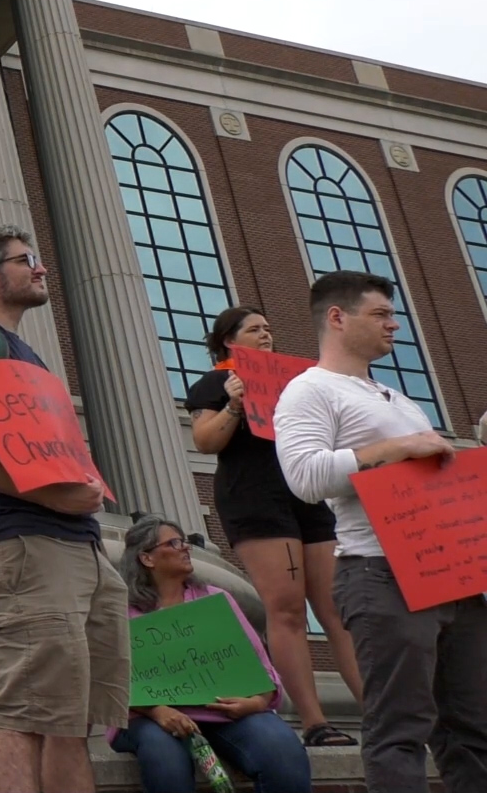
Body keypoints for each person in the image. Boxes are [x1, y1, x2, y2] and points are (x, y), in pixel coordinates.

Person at [0, 226, 126, 793]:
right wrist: (57, 497)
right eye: (25, 260)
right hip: (27, 546)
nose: (40, 269)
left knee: (71, 719)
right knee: (20, 709)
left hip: (80, 546)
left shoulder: (28, 353)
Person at [276, 270, 487, 793]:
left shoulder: (394, 397)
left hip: (453, 576)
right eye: (381, 315)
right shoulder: (307, 390)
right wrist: (394, 450)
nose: (395, 325)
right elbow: (304, 477)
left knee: (474, 729)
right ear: (337, 318)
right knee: (400, 728)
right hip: (382, 573)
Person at [186, 306, 359, 746]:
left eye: (268, 326)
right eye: (254, 329)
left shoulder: (295, 381)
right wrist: (235, 404)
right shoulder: (214, 383)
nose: (266, 333)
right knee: (285, 608)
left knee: (340, 609)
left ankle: (381, 712)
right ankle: (315, 721)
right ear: (229, 339)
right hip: (255, 498)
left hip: (306, 493)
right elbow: (206, 441)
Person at [108, 516, 309, 792]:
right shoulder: (122, 611)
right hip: (150, 717)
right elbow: (111, 679)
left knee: (283, 752)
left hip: (228, 713)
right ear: (147, 558)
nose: (185, 548)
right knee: (166, 761)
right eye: (174, 543)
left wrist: (256, 703)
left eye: (185, 541)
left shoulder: (216, 599)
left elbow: (259, 665)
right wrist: (156, 710)